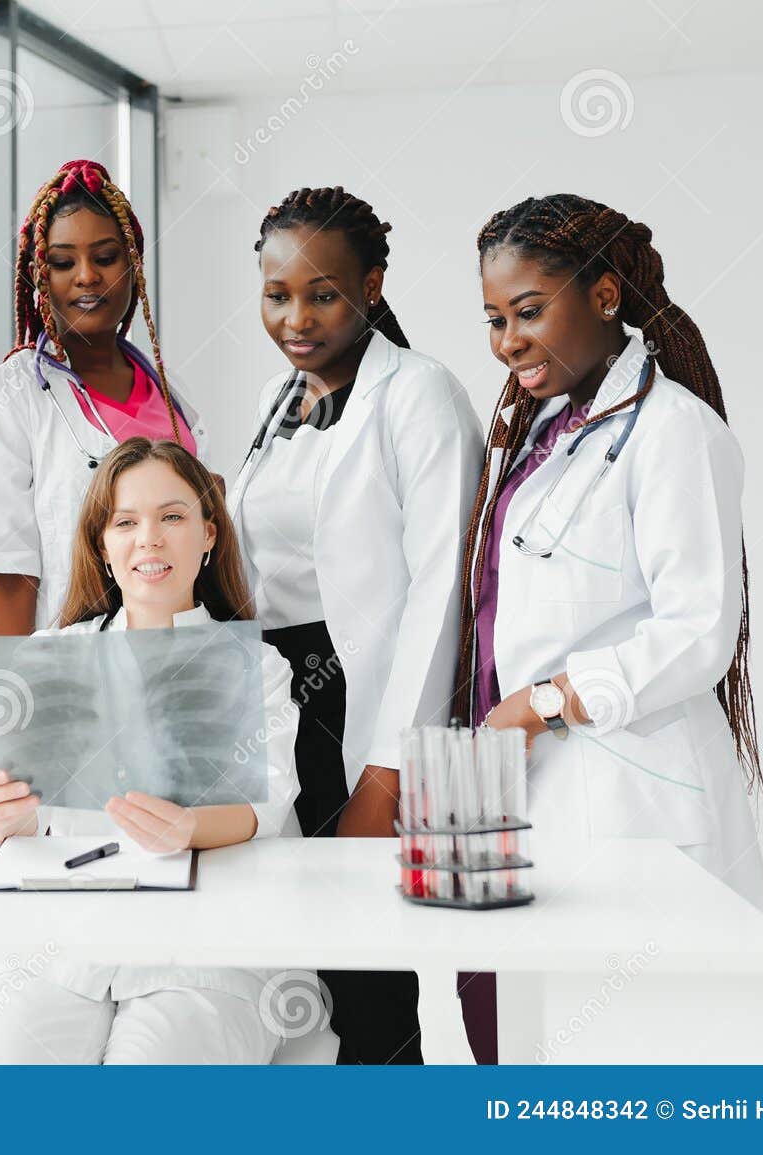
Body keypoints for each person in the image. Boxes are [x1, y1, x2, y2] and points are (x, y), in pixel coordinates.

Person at [456, 193, 763, 1060]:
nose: (508, 341)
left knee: (638, 1061)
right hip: (535, 790)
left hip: (630, 787)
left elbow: (699, 629)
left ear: (604, 295)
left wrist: (542, 703)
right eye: (495, 319)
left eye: (529, 311)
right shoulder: (548, 432)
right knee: (532, 1055)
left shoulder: (672, 430)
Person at [226, 186, 483, 1064]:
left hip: (358, 695)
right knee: (295, 960)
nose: (296, 316)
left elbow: (439, 589)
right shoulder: (277, 396)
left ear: (371, 286)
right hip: (276, 689)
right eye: (276, 293)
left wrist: (387, 768)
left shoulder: (420, 396)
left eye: (323, 293)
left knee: (367, 965)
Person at [0, 438, 305, 1063]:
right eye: (125, 522)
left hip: (206, 944)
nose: (149, 538)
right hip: (61, 940)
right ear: (103, 547)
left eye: (172, 516)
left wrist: (191, 826)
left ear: (208, 535)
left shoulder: (255, 665)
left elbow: (268, 803)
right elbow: (27, 814)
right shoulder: (44, 658)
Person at [0, 159, 207, 636]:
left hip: (185, 661)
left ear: (133, 264)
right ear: (39, 276)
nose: (87, 276)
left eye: (106, 257)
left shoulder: (171, 392)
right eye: (62, 262)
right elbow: (8, 576)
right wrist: (10, 700)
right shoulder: (12, 398)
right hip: (72, 670)